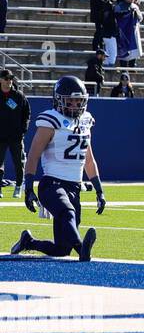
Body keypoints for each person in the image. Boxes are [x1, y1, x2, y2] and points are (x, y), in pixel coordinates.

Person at [10, 77, 106, 263]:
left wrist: (99, 190)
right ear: (59, 99)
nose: (76, 105)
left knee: (62, 249)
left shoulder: (85, 121)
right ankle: (82, 250)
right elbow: (33, 156)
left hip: (74, 187)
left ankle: (28, 242)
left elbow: (89, 160)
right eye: (71, 100)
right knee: (67, 213)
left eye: (79, 100)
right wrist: (29, 188)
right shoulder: (51, 120)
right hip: (52, 184)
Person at [0, 69, 30, 198]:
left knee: (19, 162)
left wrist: (23, 129)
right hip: (0, 136)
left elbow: (27, 114)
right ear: (0, 80)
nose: (9, 81)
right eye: (6, 78)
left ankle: (18, 186)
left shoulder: (19, 96)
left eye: (11, 78)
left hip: (15, 136)